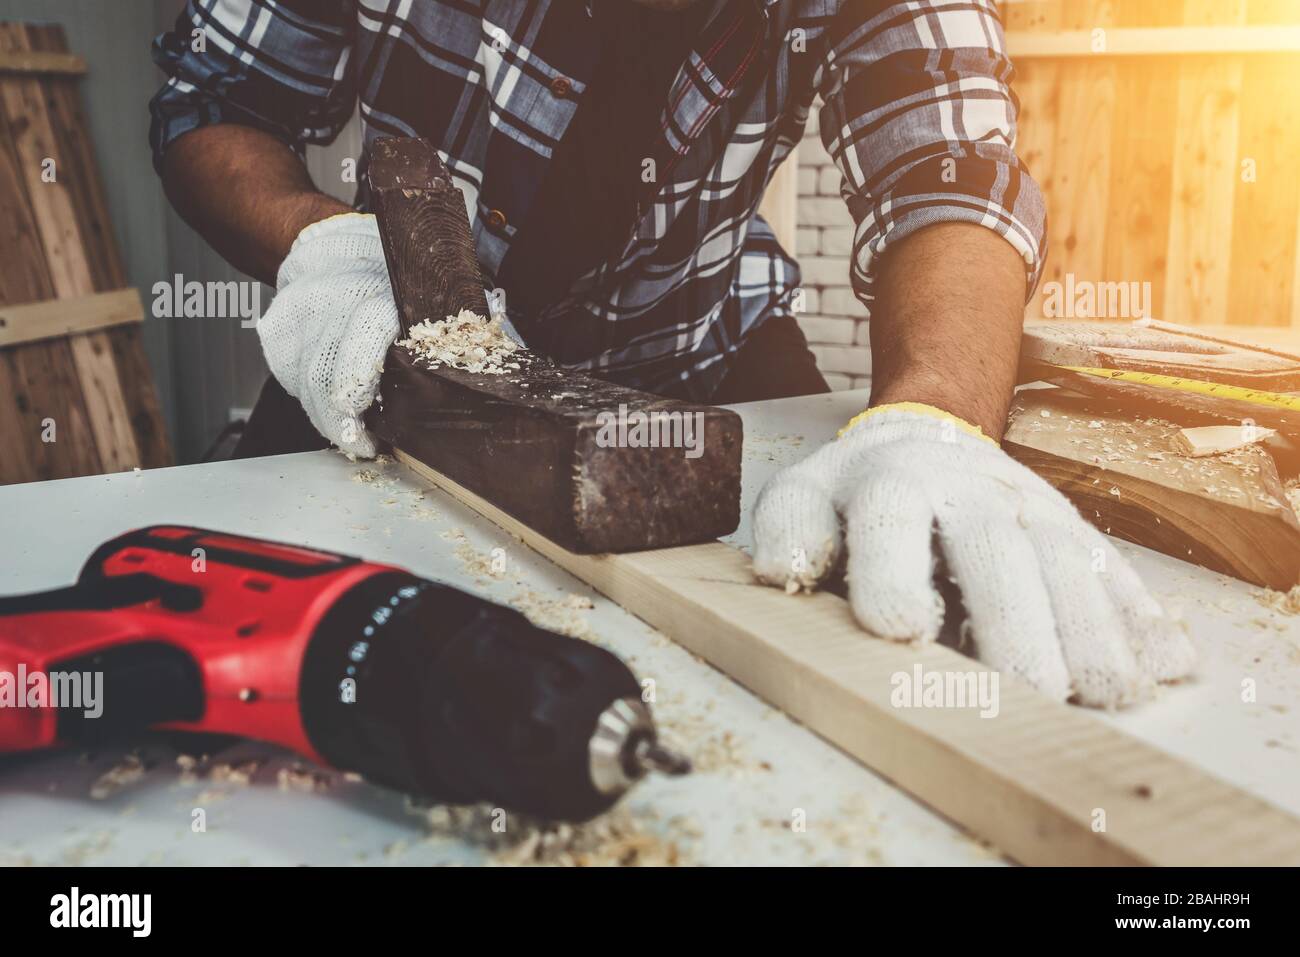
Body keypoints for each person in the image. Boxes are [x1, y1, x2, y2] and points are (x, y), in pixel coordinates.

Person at [150, 0, 1194, 708]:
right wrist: (321, 245)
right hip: (392, 337)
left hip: (702, 343)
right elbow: (217, 103)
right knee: (263, 641)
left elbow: (948, 169)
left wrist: (937, 417)